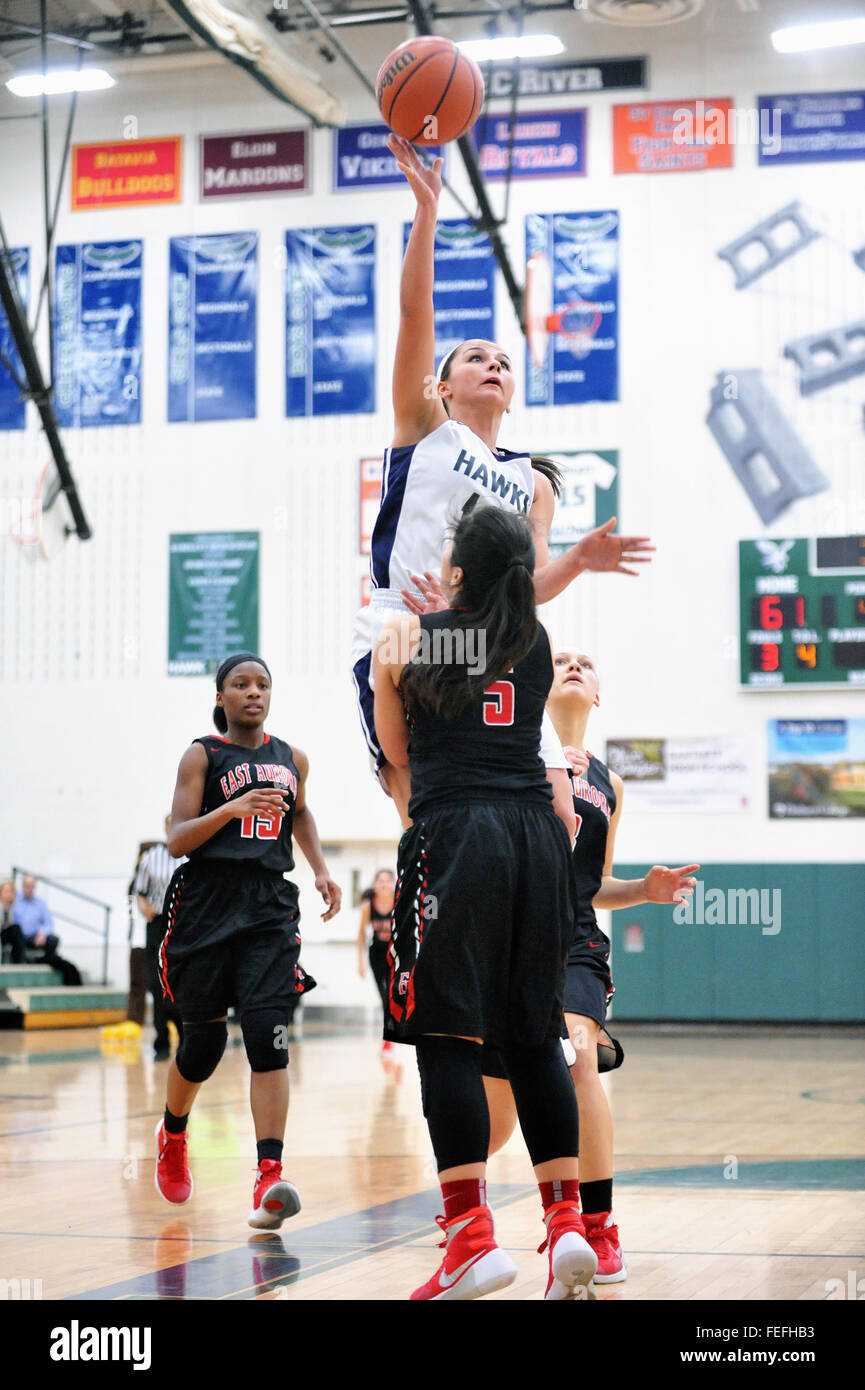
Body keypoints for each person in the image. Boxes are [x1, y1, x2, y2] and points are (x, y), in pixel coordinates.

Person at [351, 133, 654, 826]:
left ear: (512, 393)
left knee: (557, 809)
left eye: (503, 362)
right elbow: (411, 315)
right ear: (441, 383)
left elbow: (528, 588)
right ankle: (428, 911)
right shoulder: (425, 425)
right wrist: (425, 215)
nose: (492, 364)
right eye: (475, 357)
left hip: (488, 635)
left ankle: (545, 929)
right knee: (413, 782)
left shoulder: (531, 481)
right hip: (403, 622)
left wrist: (578, 560)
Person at [373, 503, 596, 1301]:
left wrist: (417, 631)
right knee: (534, 1038)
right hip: (535, 842)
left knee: (447, 1035)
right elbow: (482, 644)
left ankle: (469, 1238)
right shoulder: (533, 642)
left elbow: (395, 753)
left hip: (456, 836)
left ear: (456, 569)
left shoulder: (403, 638)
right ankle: (568, 1224)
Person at [483, 647, 699, 1283]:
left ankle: (596, 1226)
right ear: (538, 682)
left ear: (597, 694)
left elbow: (596, 882)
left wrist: (643, 890)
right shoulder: (513, 748)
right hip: (508, 939)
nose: (575, 666)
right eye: (562, 659)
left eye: (588, 663)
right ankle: (467, 1214)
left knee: (578, 1057)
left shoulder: (612, 782)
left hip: (575, 939)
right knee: (496, 1116)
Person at [154, 652, 342, 1230]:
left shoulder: (292, 758)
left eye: (262, 684)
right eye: (240, 684)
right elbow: (177, 839)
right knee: (203, 1047)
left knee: (268, 1035)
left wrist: (319, 868)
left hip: (269, 906)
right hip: (206, 904)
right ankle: (174, 1132)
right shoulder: (202, 755)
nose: (253, 693)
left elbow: (301, 814)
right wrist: (231, 807)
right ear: (221, 697)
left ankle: (269, 1173)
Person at [135, 823, 186, 1059]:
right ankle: (161, 1040)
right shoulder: (150, 858)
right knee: (156, 982)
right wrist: (145, 910)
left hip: (183, 924)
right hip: (157, 922)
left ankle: (185, 1036)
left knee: (181, 981)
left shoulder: (191, 855)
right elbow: (139, 893)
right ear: (167, 829)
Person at [356, 869, 399, 1070]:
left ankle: (394, 1036)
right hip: (377, 956)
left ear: (393, 883)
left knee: (393, 996)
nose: (383, 884)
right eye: (380, 881)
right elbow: (361, 936)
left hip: (396, 954)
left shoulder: (400, 903)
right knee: (384, 998)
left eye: (387, 881)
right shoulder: (368, 907)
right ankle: (388, 1042)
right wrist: (360, 962)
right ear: (375, 885)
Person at [14, 875, 82, 985]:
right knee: (16, 934)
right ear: (22, 886)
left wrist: (43, 933)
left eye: (32, 886)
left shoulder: (40, 903)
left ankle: (48, 962)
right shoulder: (15, 901)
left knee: (53, 939)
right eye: (27, 886)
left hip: (34, 937)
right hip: (19, 937)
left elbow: (48, 922)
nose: (29, 889)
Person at [1, 880, 25, 963]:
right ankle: (20, 961)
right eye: (7, 891)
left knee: (17, 932)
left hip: (4, 935)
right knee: (16, 929)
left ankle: (18, 961)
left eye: (11, 891)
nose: (9, 894)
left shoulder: (11, 908)